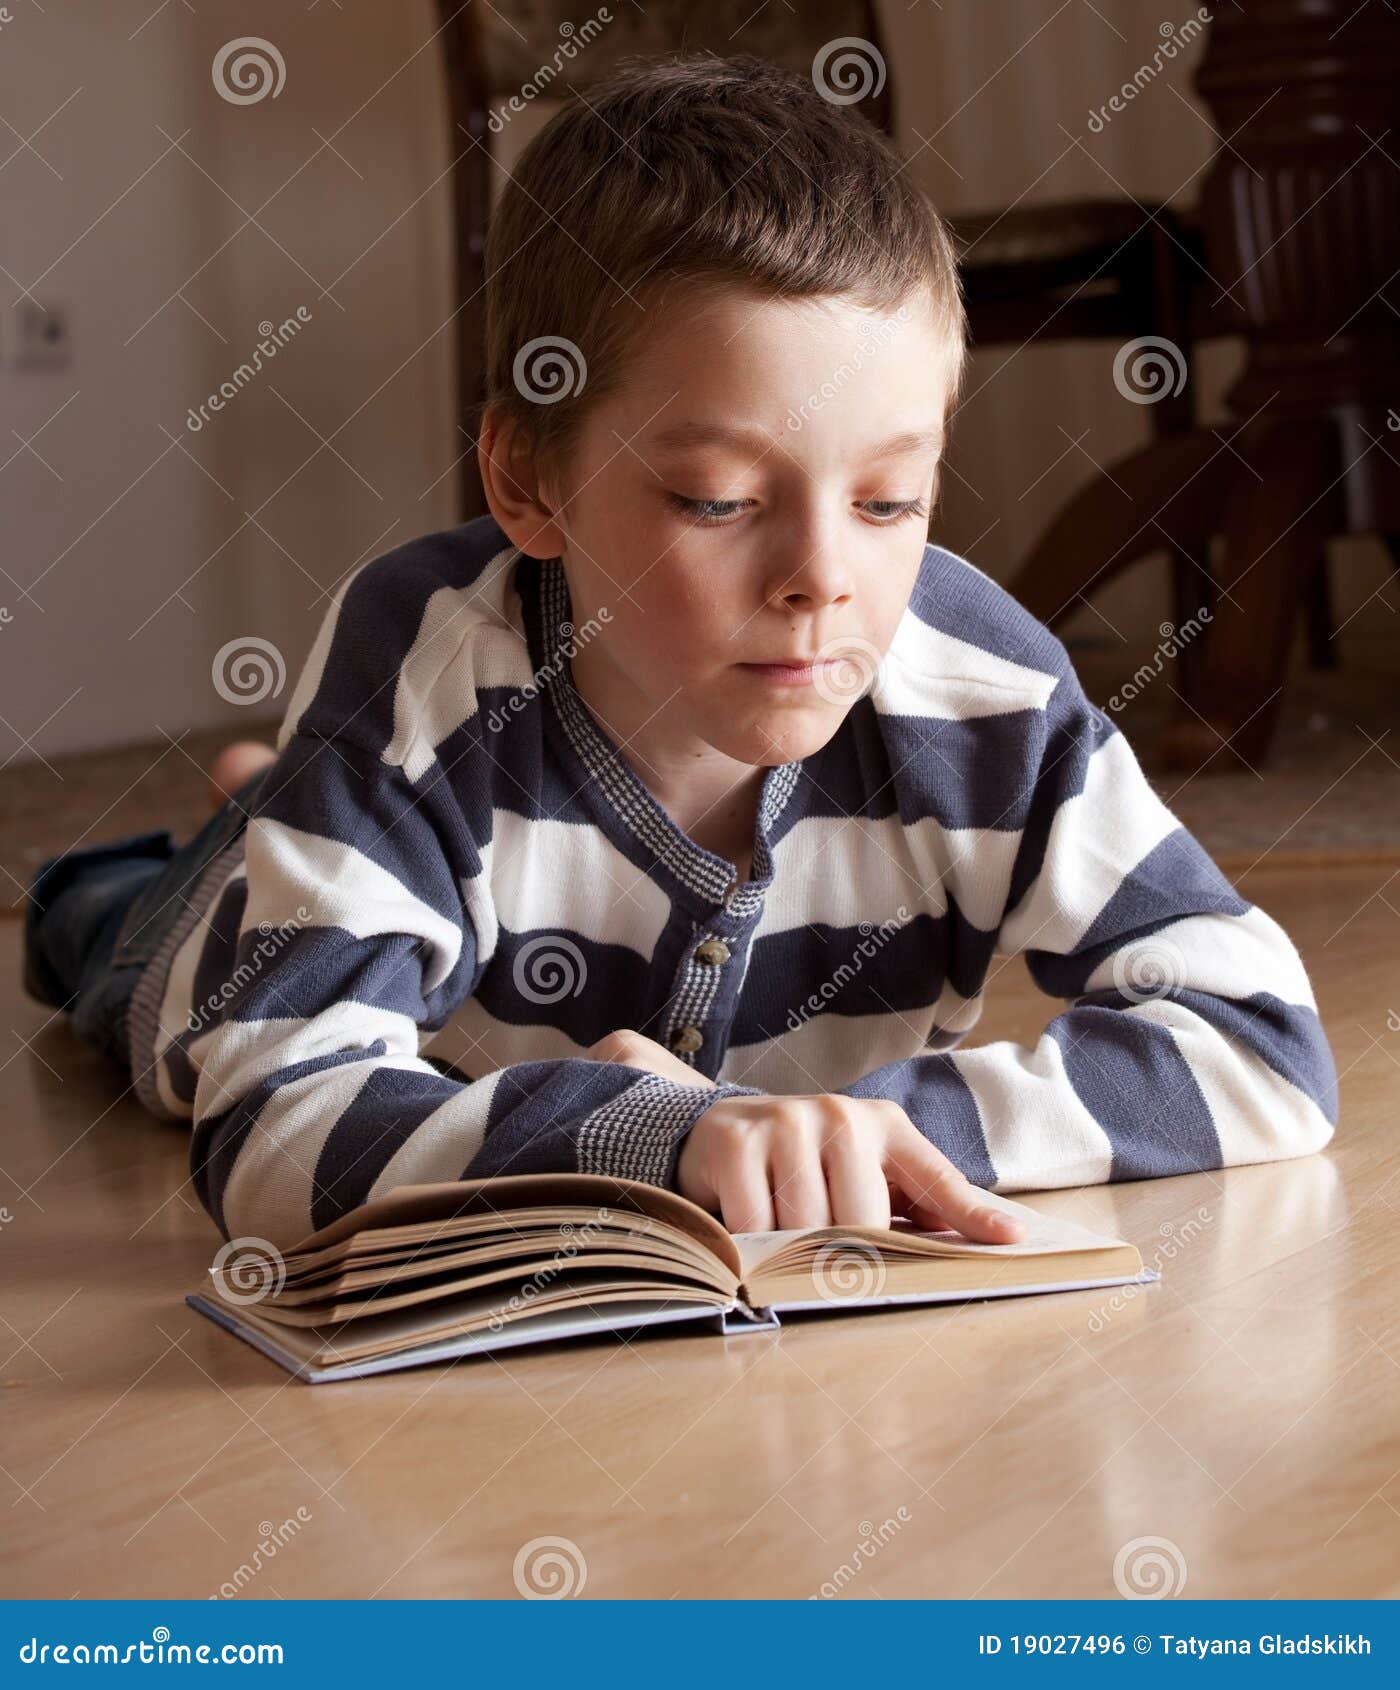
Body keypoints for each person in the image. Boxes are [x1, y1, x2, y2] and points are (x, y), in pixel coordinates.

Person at [22, 52, 1337, 1255]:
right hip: (229, 927)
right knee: (146, 974)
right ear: (528, 479)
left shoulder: (979, 694)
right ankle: (251, 826)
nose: (824, 576)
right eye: (717, 499)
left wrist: (858, 1130)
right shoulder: (423, 668)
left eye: (889, 502)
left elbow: (1265, 1043)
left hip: (409, 873)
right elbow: (272, 1124)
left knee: (315, 826)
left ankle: (289, 802)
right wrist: (666, 1135)